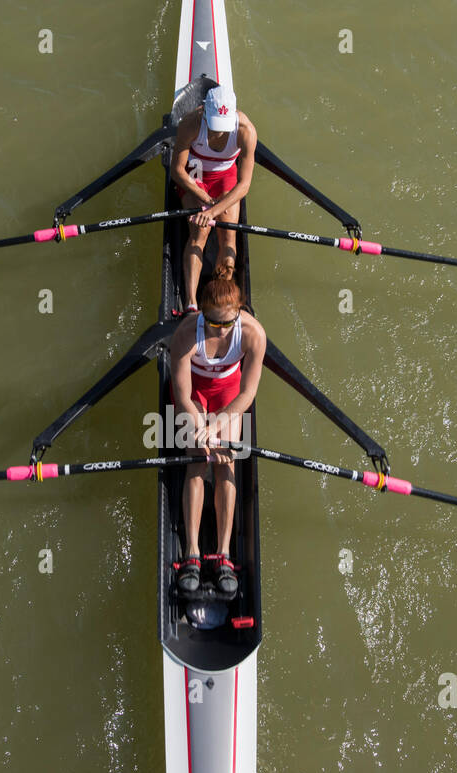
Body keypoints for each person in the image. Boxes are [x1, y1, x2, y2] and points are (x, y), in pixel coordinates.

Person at [168, 261, 266, 595]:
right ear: (201, 315)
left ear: (239, 312)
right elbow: (181, 395)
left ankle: (224, 554)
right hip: (193, 393)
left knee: (227, 464)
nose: (220, 330)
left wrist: (219, 426)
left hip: (229, 393)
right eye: (211, 322)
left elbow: (248, 393)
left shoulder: (253, 334)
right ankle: (192, 552)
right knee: (196, 460)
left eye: (227, 323)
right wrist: (199, 428)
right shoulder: (184, 333)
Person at [171, 84, 257, 314]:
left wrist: (212, 210)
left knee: (229, 240)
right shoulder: (191, 122)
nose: (218, 133)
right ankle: (191, 303)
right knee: (199, 233)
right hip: (194, 176)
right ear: (204, 112)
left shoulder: (246, 131)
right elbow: (177, 171)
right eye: (214, 125)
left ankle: (222, 301)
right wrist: (206, 200)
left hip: (225, 177)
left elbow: (244, 185)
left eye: (224, 126)